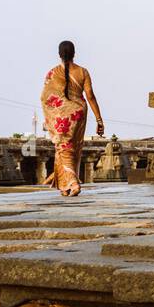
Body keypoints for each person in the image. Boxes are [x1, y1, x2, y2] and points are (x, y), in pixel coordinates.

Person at [40, 40, 104, 196]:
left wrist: (53, 116)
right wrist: (99, 119)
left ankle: (73, 183)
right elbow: (90, 96)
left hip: (61, 116)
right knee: (71, 148)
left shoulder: (52, 73)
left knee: (64, 148)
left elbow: (45, 97)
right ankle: (65, 185)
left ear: (59, 54)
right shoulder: (83, 72)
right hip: (78, 114)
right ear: (74, 53)